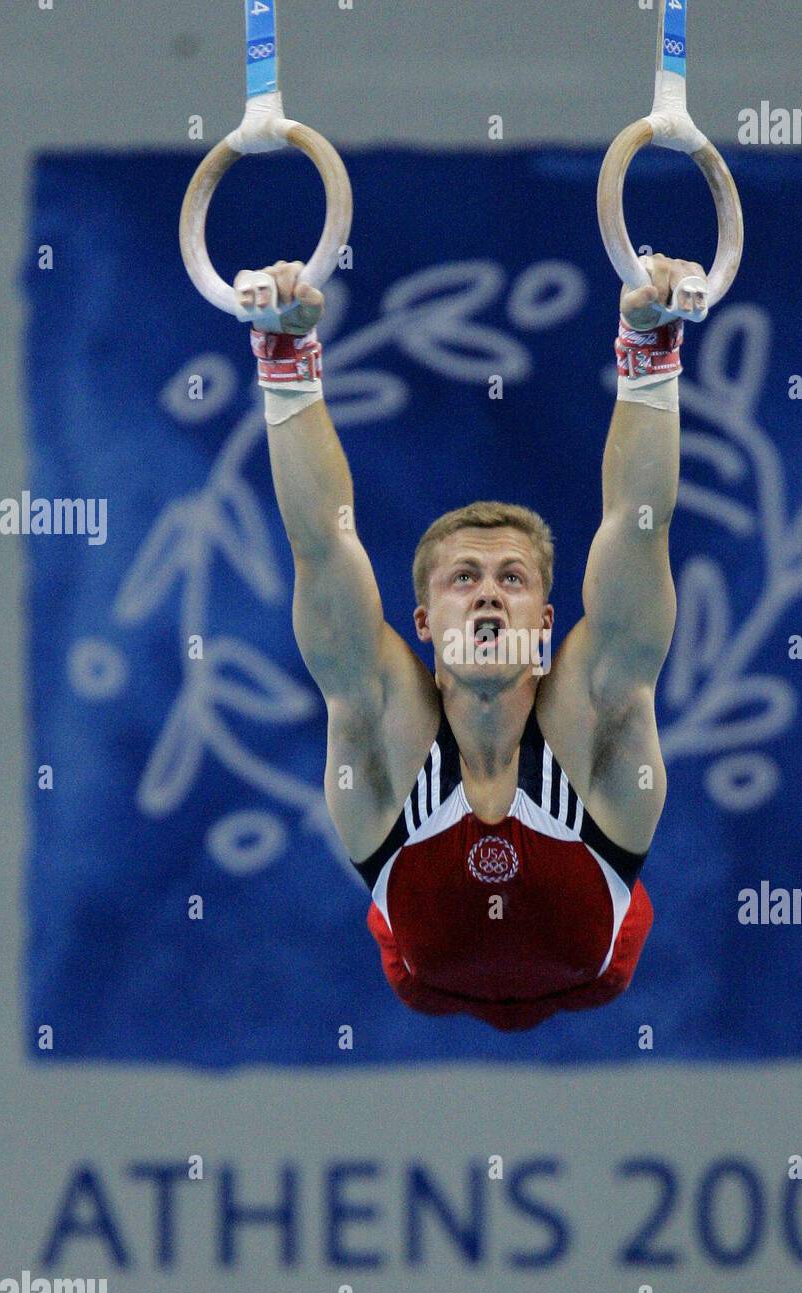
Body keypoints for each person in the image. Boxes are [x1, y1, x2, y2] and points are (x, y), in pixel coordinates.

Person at [235, 254, 706, 1030]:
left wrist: (650, 349)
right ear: (421, 624)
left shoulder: (598, 713)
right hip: (429, 971)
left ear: (548, 623)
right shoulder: (383, 724)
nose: (488, 590)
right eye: (463, 579)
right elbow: (321, 543)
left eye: (513, 578)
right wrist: (286, 361)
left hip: (593, 960)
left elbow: (638, 526)